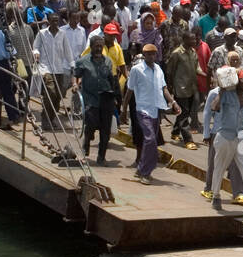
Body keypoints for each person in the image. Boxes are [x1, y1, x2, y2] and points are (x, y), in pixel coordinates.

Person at [122, 43, 180, 184]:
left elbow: (164, 88)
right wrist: (124, 110)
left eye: (154, 54)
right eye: (149, 54)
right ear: (144, 55)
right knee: (150, 140)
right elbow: (129, 90)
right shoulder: (137, 70)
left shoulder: (159, 69)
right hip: (142, 109)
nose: (152, 56)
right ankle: (145, 173)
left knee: (152, 141)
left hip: (156, 110)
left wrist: (173, 102)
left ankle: (141, 168)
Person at [208, 70, 243, 213]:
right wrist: (221, 91)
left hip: (242, 135)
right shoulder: (227, 94)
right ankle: (216, 196)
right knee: (219, 166)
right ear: (237, 82)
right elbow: (214, 107)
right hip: (225, 135)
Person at [75, 34, 119, 163]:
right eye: (96, 46)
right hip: (90, 98)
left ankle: (101, 157)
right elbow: (76, 75)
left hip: (106, 98)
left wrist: (115, 97)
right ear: (91, 47)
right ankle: (86, 146)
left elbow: (112, 79)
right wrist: (74, 85)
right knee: (91, 124)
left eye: (101, 46)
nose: (99, 49)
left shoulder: (108, 62)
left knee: (105, 130)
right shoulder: (82, 61)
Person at [165, 30, 201, 148]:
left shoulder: (193, 52)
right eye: (192, 39)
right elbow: (169, 71)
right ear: (185, 40)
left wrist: (208, 76)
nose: (194, 41)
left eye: (195, 39)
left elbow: (197, 68)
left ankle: (175, 131)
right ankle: (188, 140)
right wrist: (170, 87)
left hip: (192, 87)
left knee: (185, 111)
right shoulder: (176, 53)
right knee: (184, 114)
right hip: (180, 88)